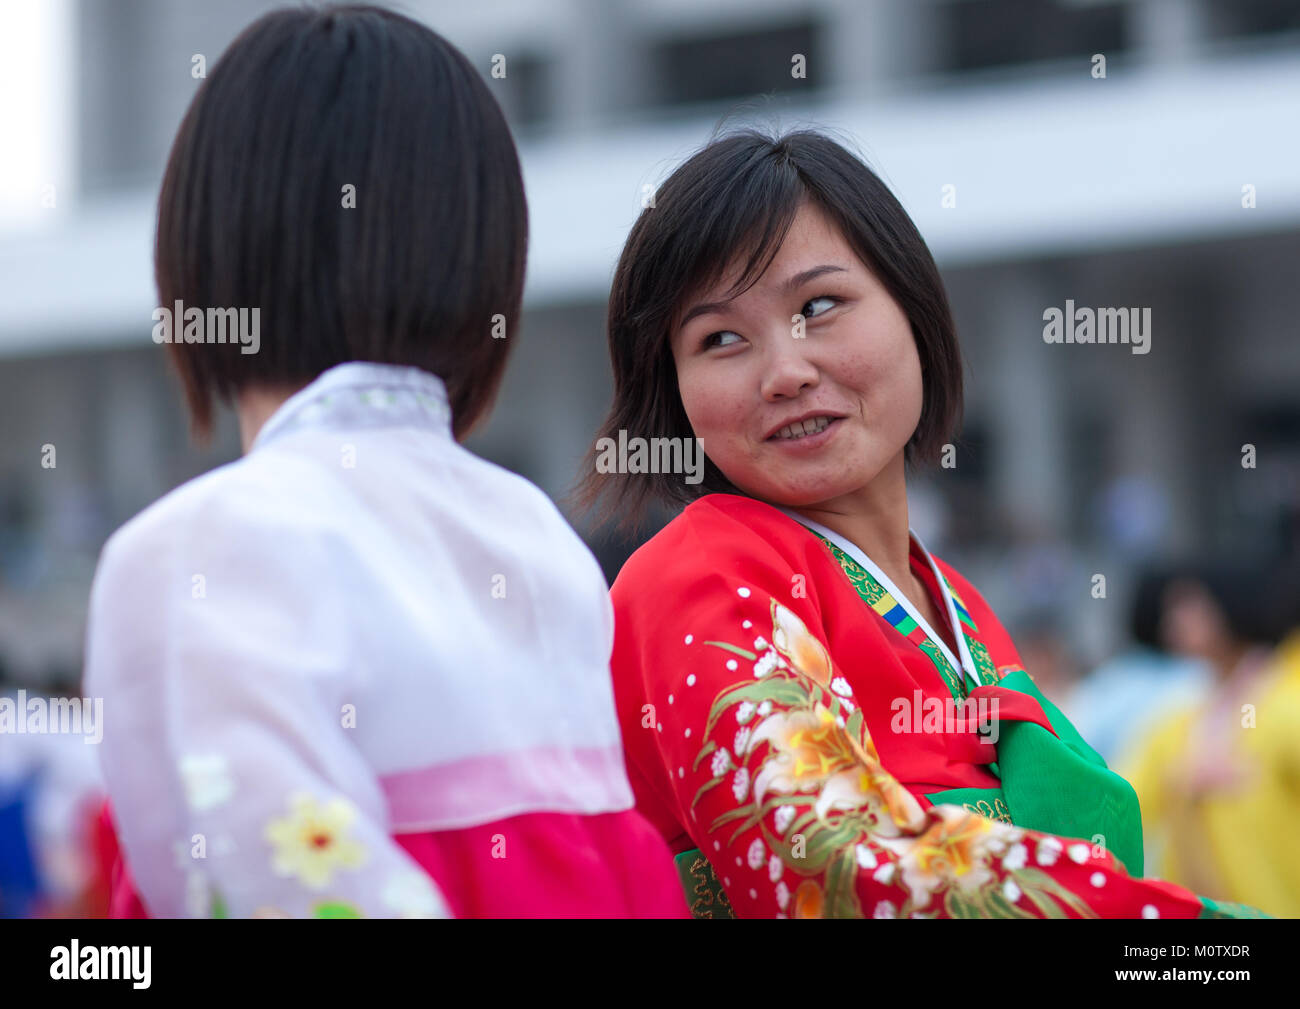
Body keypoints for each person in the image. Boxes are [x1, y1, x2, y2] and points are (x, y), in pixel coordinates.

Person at [84, 4, 686, 919]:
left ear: (204, 251)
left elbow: (256, 884)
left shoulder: (189, 548)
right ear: (486, 257)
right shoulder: (536, 535)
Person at [579, 128, 1260, 919]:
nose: (786, 371)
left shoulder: (958, 606)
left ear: (914, 308)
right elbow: (842, 865)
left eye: (819, 305)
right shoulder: (696, 576)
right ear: (675, 390)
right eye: (720, 338)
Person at [1122, 559, 1300, 915]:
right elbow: (1122, 799)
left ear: (1231, 603)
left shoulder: (1286, 702)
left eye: (1189, 605)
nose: (1173, 619)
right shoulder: (1179, 720)